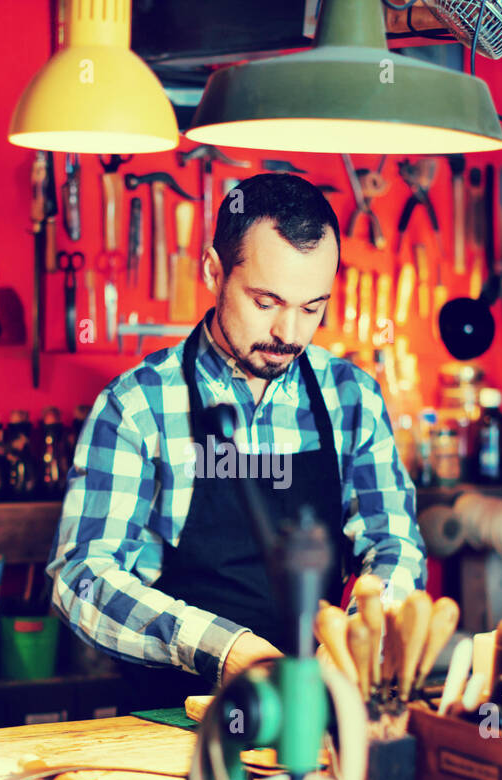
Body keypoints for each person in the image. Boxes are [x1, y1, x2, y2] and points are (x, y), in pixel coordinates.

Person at [48, 172, 426, 709]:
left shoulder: (352, 397)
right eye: (266, 302)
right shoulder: (138, 406)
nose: (290, 333)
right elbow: (81, 575)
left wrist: (355, 635)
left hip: (318, 706)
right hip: (176, 716)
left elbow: (395, 543)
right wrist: (224, 650)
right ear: (213, 270)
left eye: (311, 307)